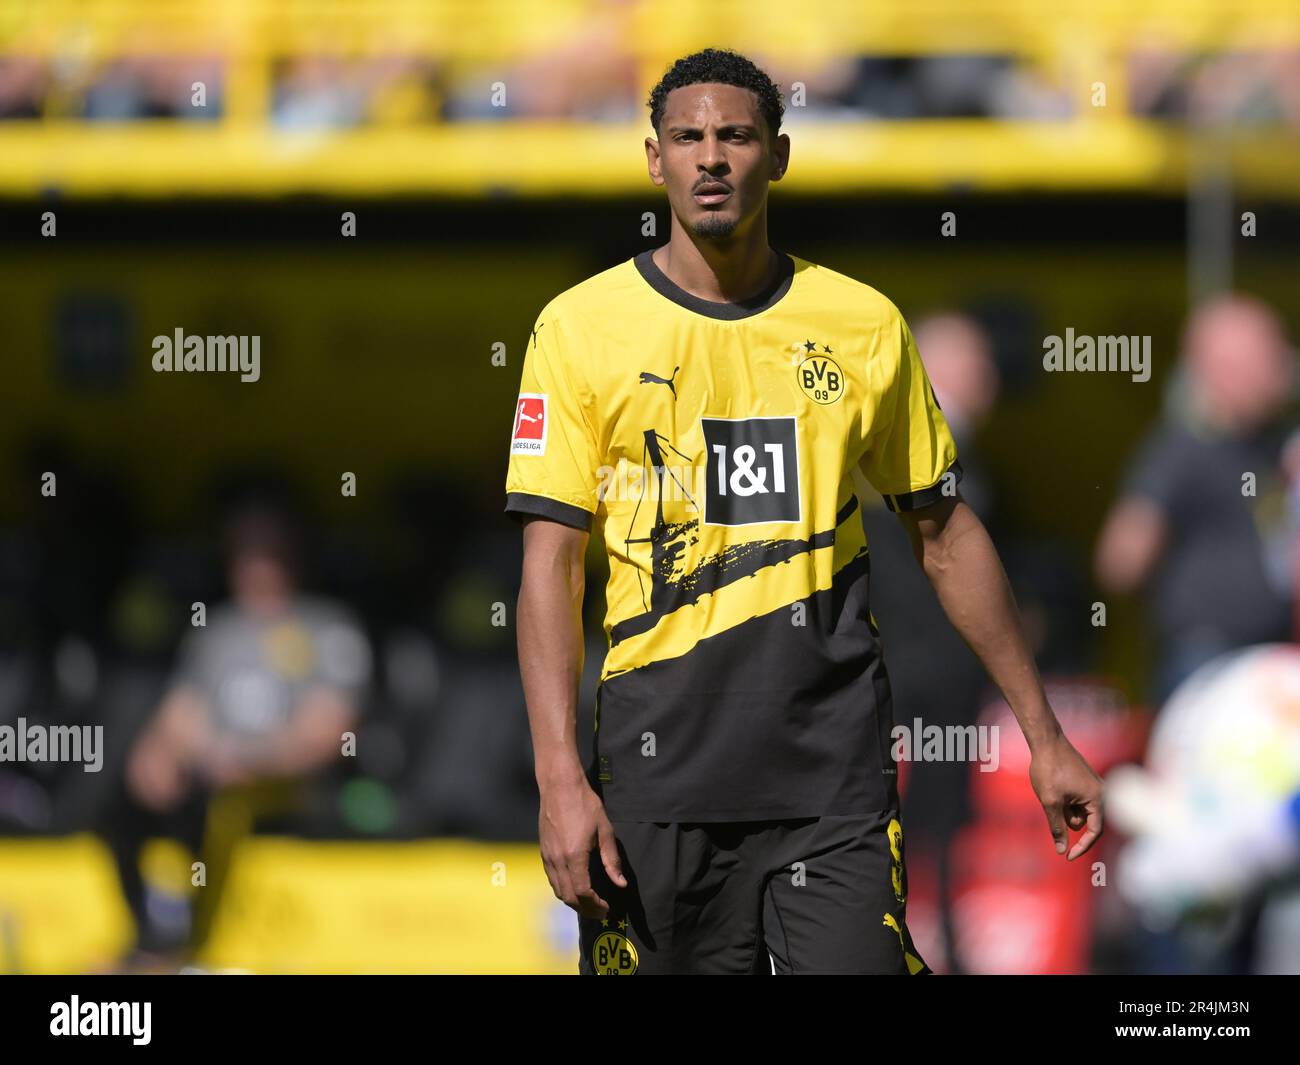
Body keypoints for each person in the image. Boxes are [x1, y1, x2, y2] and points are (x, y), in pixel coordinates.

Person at [503, 48, 1103, 976]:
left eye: (735, 136)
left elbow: (942, 533)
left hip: (832, 777)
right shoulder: (578, 328)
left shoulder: (861, 323)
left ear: (777, 156)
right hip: (657, 777)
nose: (711, 157)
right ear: (653, 160)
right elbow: (550, 561)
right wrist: (557, 777)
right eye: (688, 137)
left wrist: (1045, 736)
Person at [107, 503, 371, 962]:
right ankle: (147, 933)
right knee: (120, 794)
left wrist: (254, 760)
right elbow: (180, 710)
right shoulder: (215, 631)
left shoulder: (325, 625)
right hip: (213, 772)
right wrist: (158, 751)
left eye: (266, 552)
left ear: (291, 557)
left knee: (221, 806)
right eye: (244, 552)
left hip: (286, 782)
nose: (254, 565)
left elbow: (329, 729)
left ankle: (192, 942)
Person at [1095, 293, 1298, 705]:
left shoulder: (1273, 445)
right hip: (1206, 660)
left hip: (1270, 656)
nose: (1281, 367)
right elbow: (1119, 561)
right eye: (1265, 357)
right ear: (1215, 368)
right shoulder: (1181, 450)